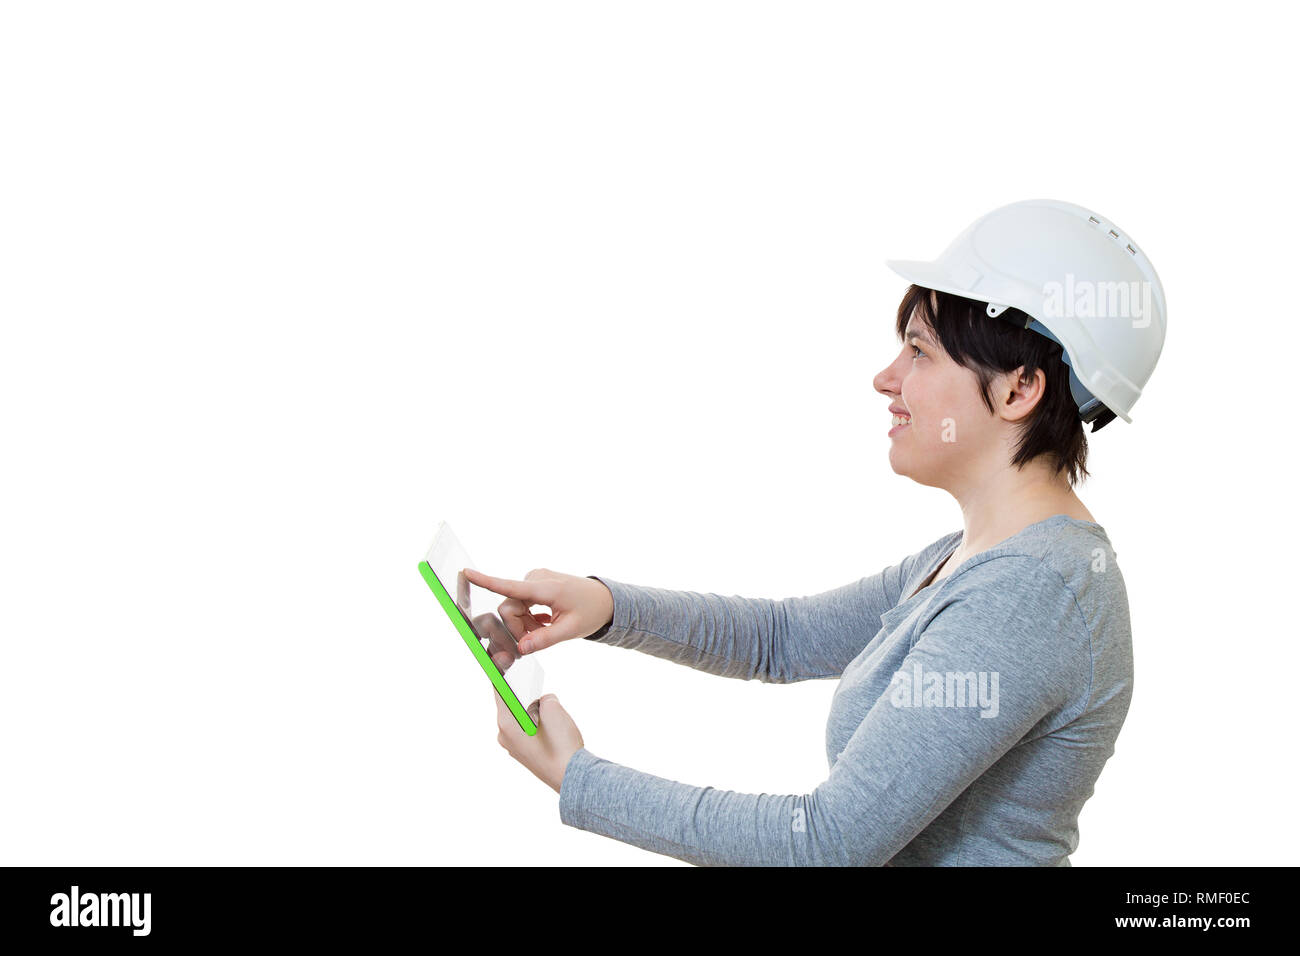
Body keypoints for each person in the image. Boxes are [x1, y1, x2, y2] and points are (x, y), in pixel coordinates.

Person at [463, 199, 1166, 865]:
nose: (885, 378)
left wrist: (579, 780)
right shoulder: (973, 560)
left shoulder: (1028, 596)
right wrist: (606, 607)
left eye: (919, 352)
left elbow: (827, 845)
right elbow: (785, 639)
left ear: (1019, 389)